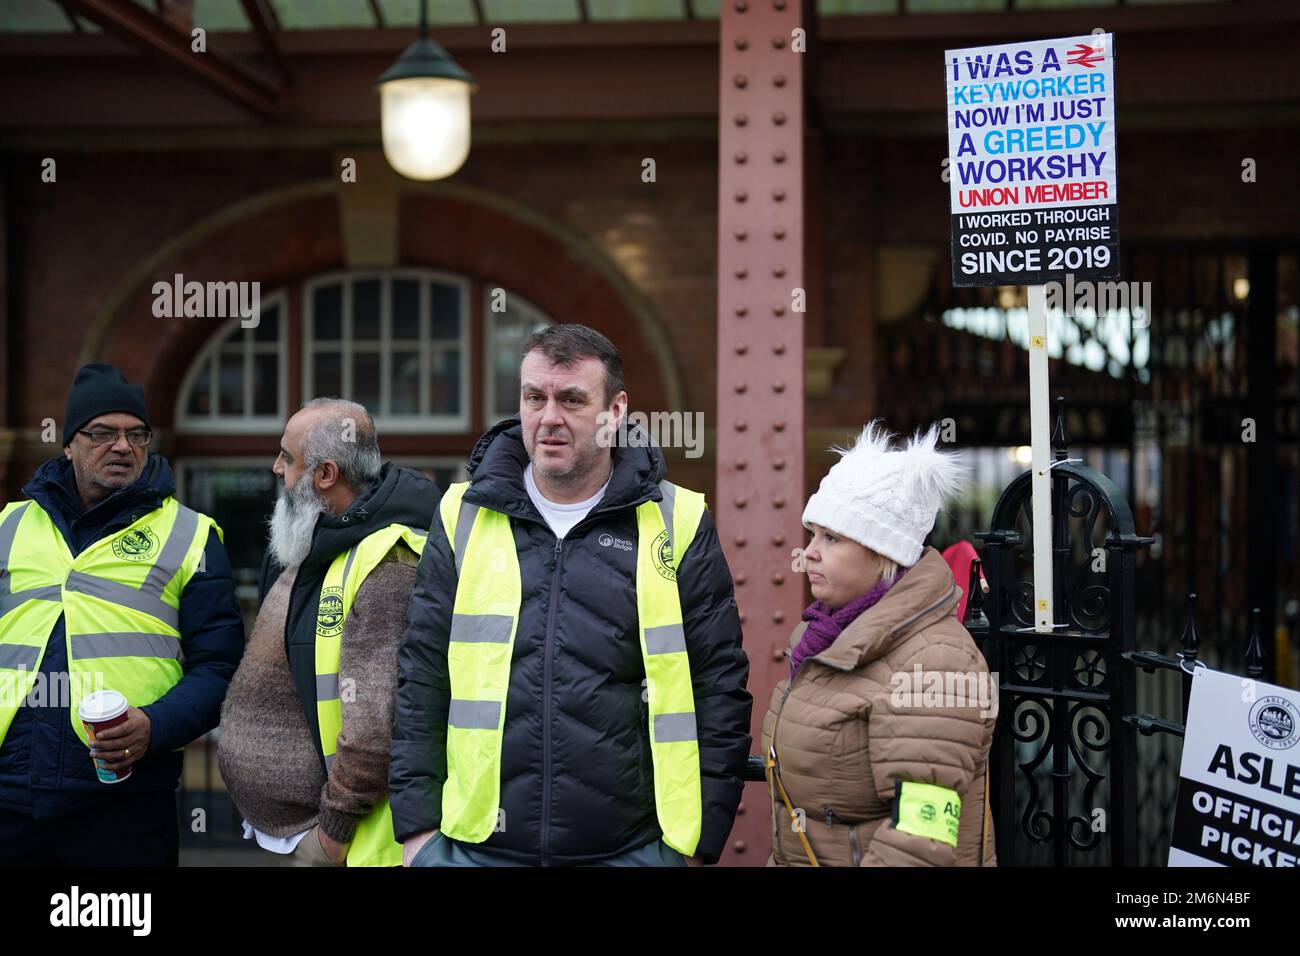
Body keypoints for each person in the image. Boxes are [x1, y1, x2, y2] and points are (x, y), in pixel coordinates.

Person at [392, 324, 752, 866]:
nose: (549, 418)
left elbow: (719, 688)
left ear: (616, 409)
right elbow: (421, 676)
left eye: (572, 400)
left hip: (631, 850)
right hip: (472, 848)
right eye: (534, 398)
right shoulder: (461, 515)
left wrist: (694, 850)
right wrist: (419, 838)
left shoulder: (678, 521)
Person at [0, 363, 243, 866]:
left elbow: (221, 669)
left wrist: (154, 725)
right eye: (102, 434)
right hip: (11, 794)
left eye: (137, 434)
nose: (123, 446)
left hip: (123, 802)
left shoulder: (190, 535)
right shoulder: (9, 525)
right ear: (69, 444)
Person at [762, 421, 997, 866]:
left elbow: (922, 837)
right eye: (812, 534)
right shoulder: (822, 638)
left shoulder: (936, 662)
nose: (808, 552)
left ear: (884, 553)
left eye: (831, 538)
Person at [218, 399, 438, 866]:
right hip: (297, 833)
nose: (276, 467)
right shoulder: (316, 539)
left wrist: (331, 838)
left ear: (325, 475)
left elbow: (375, 724)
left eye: (287, 457)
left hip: (343, 845)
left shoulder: (389, 561)